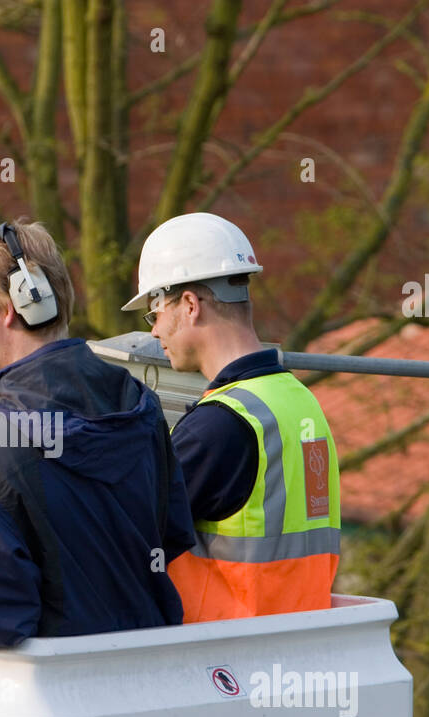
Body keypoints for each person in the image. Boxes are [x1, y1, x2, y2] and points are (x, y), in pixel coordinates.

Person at [0, 219, 196, 648]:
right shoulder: (140, 404)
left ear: (11, 308)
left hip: (49, 695)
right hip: (151, 675)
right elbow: (171, 538)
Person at [124, 212, 340, 621]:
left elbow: (126, 539)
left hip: (224, 663)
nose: (154, 332)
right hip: (300, 646)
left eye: (155, 313)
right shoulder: (301, 403)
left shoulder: (220, 426)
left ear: (189, 305)